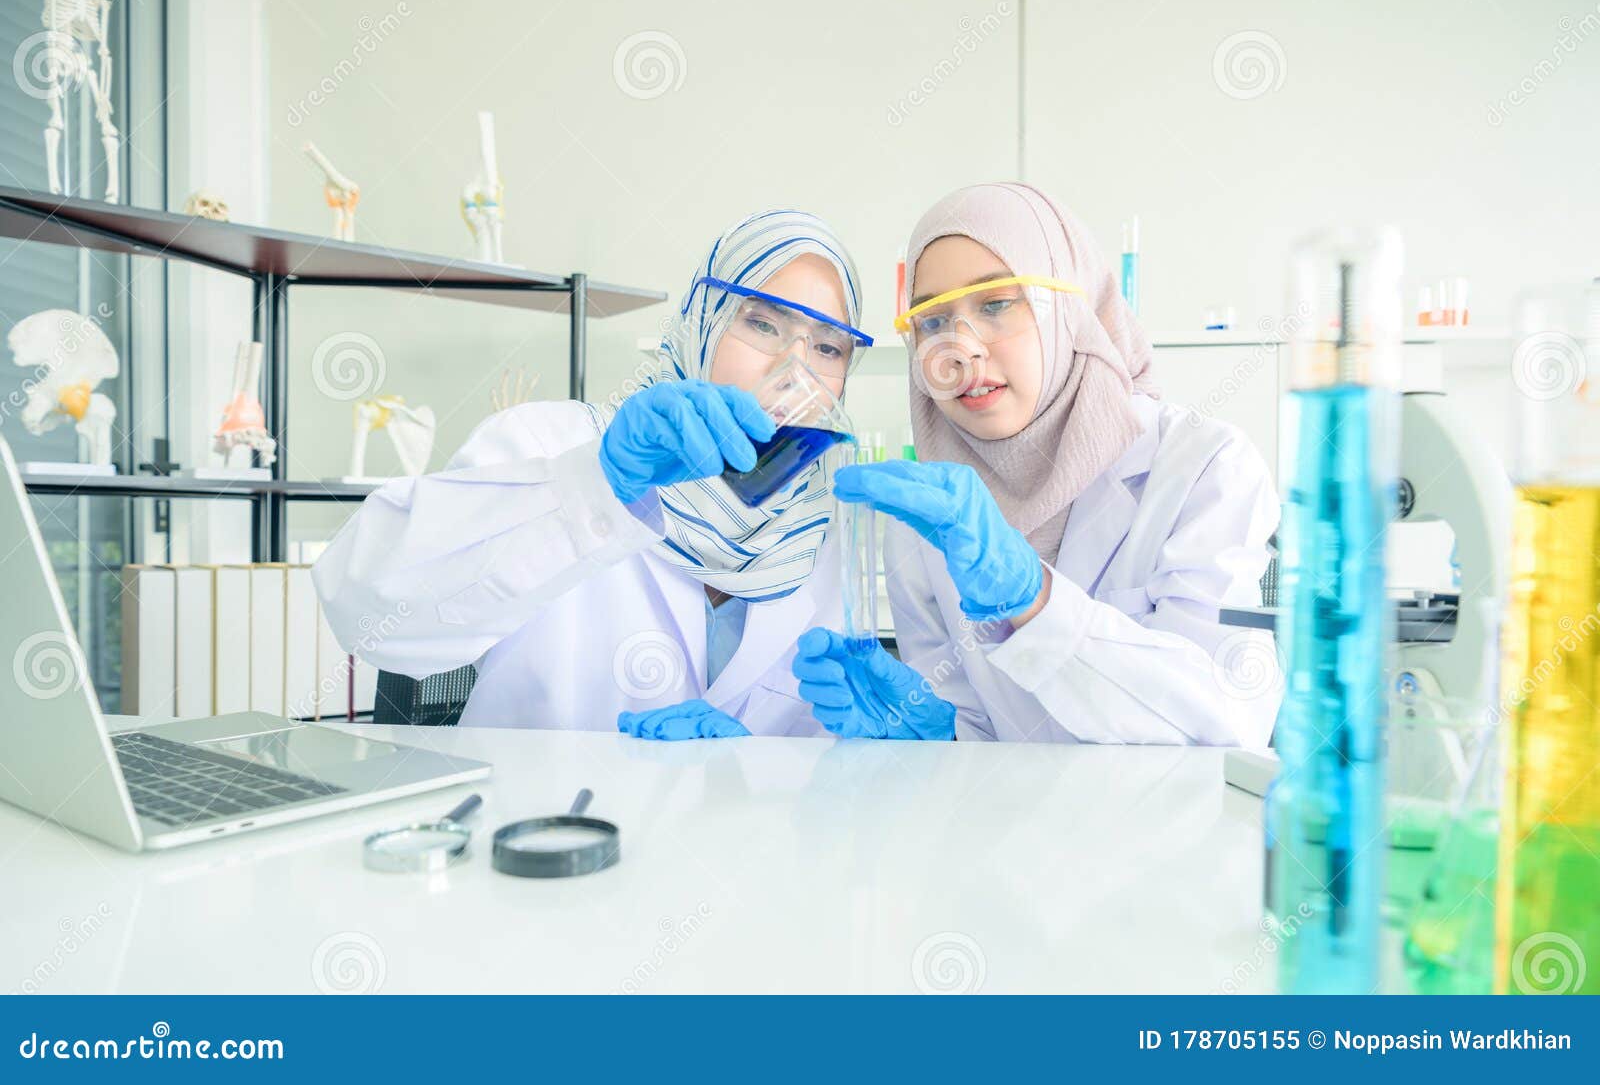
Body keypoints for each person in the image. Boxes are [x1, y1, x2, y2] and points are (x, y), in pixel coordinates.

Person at [314, 209, 871, 739]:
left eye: (827, 347)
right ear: (704, 320)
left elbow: (816, 769)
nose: (795, 372)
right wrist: (599, 485)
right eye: (763, 324)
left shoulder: (827, 530)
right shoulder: (547, 443)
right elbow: (365, 610)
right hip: (538, 828)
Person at [793, 183, 1279, 745]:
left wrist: (1036, 600)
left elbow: (1230, 715)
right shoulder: (925, 519)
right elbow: (979, 733)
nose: (960, 350)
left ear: (1071, 313)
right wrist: (936, 732)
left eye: (996, 304)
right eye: (932, 321)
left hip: (1167, 830)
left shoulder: (1204, 468)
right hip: (1006, 830)